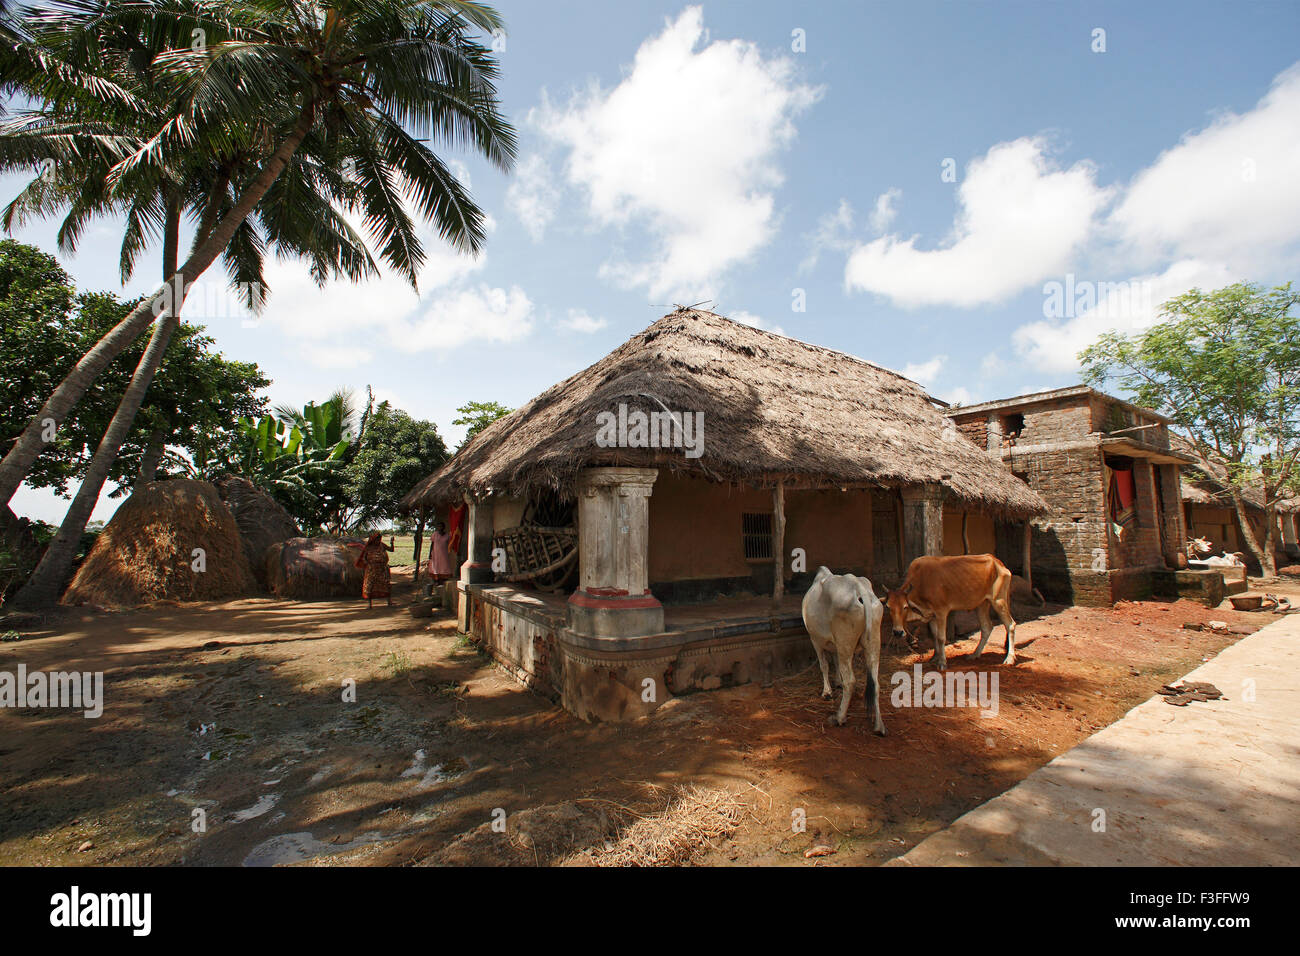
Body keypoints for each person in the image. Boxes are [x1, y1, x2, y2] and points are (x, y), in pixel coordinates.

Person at [350, 531, 395, 609]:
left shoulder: (382, 545)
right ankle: (369, 604)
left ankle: (389, 601)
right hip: (371, 570)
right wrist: (369, 564)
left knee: (386, 584)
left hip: (382, 569)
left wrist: (392, 543)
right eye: (377, 540)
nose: (379, 541)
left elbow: (391, 549)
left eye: (380, 539)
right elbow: (364, 558)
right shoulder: (369, 547)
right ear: (374, 540)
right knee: (370, 586)